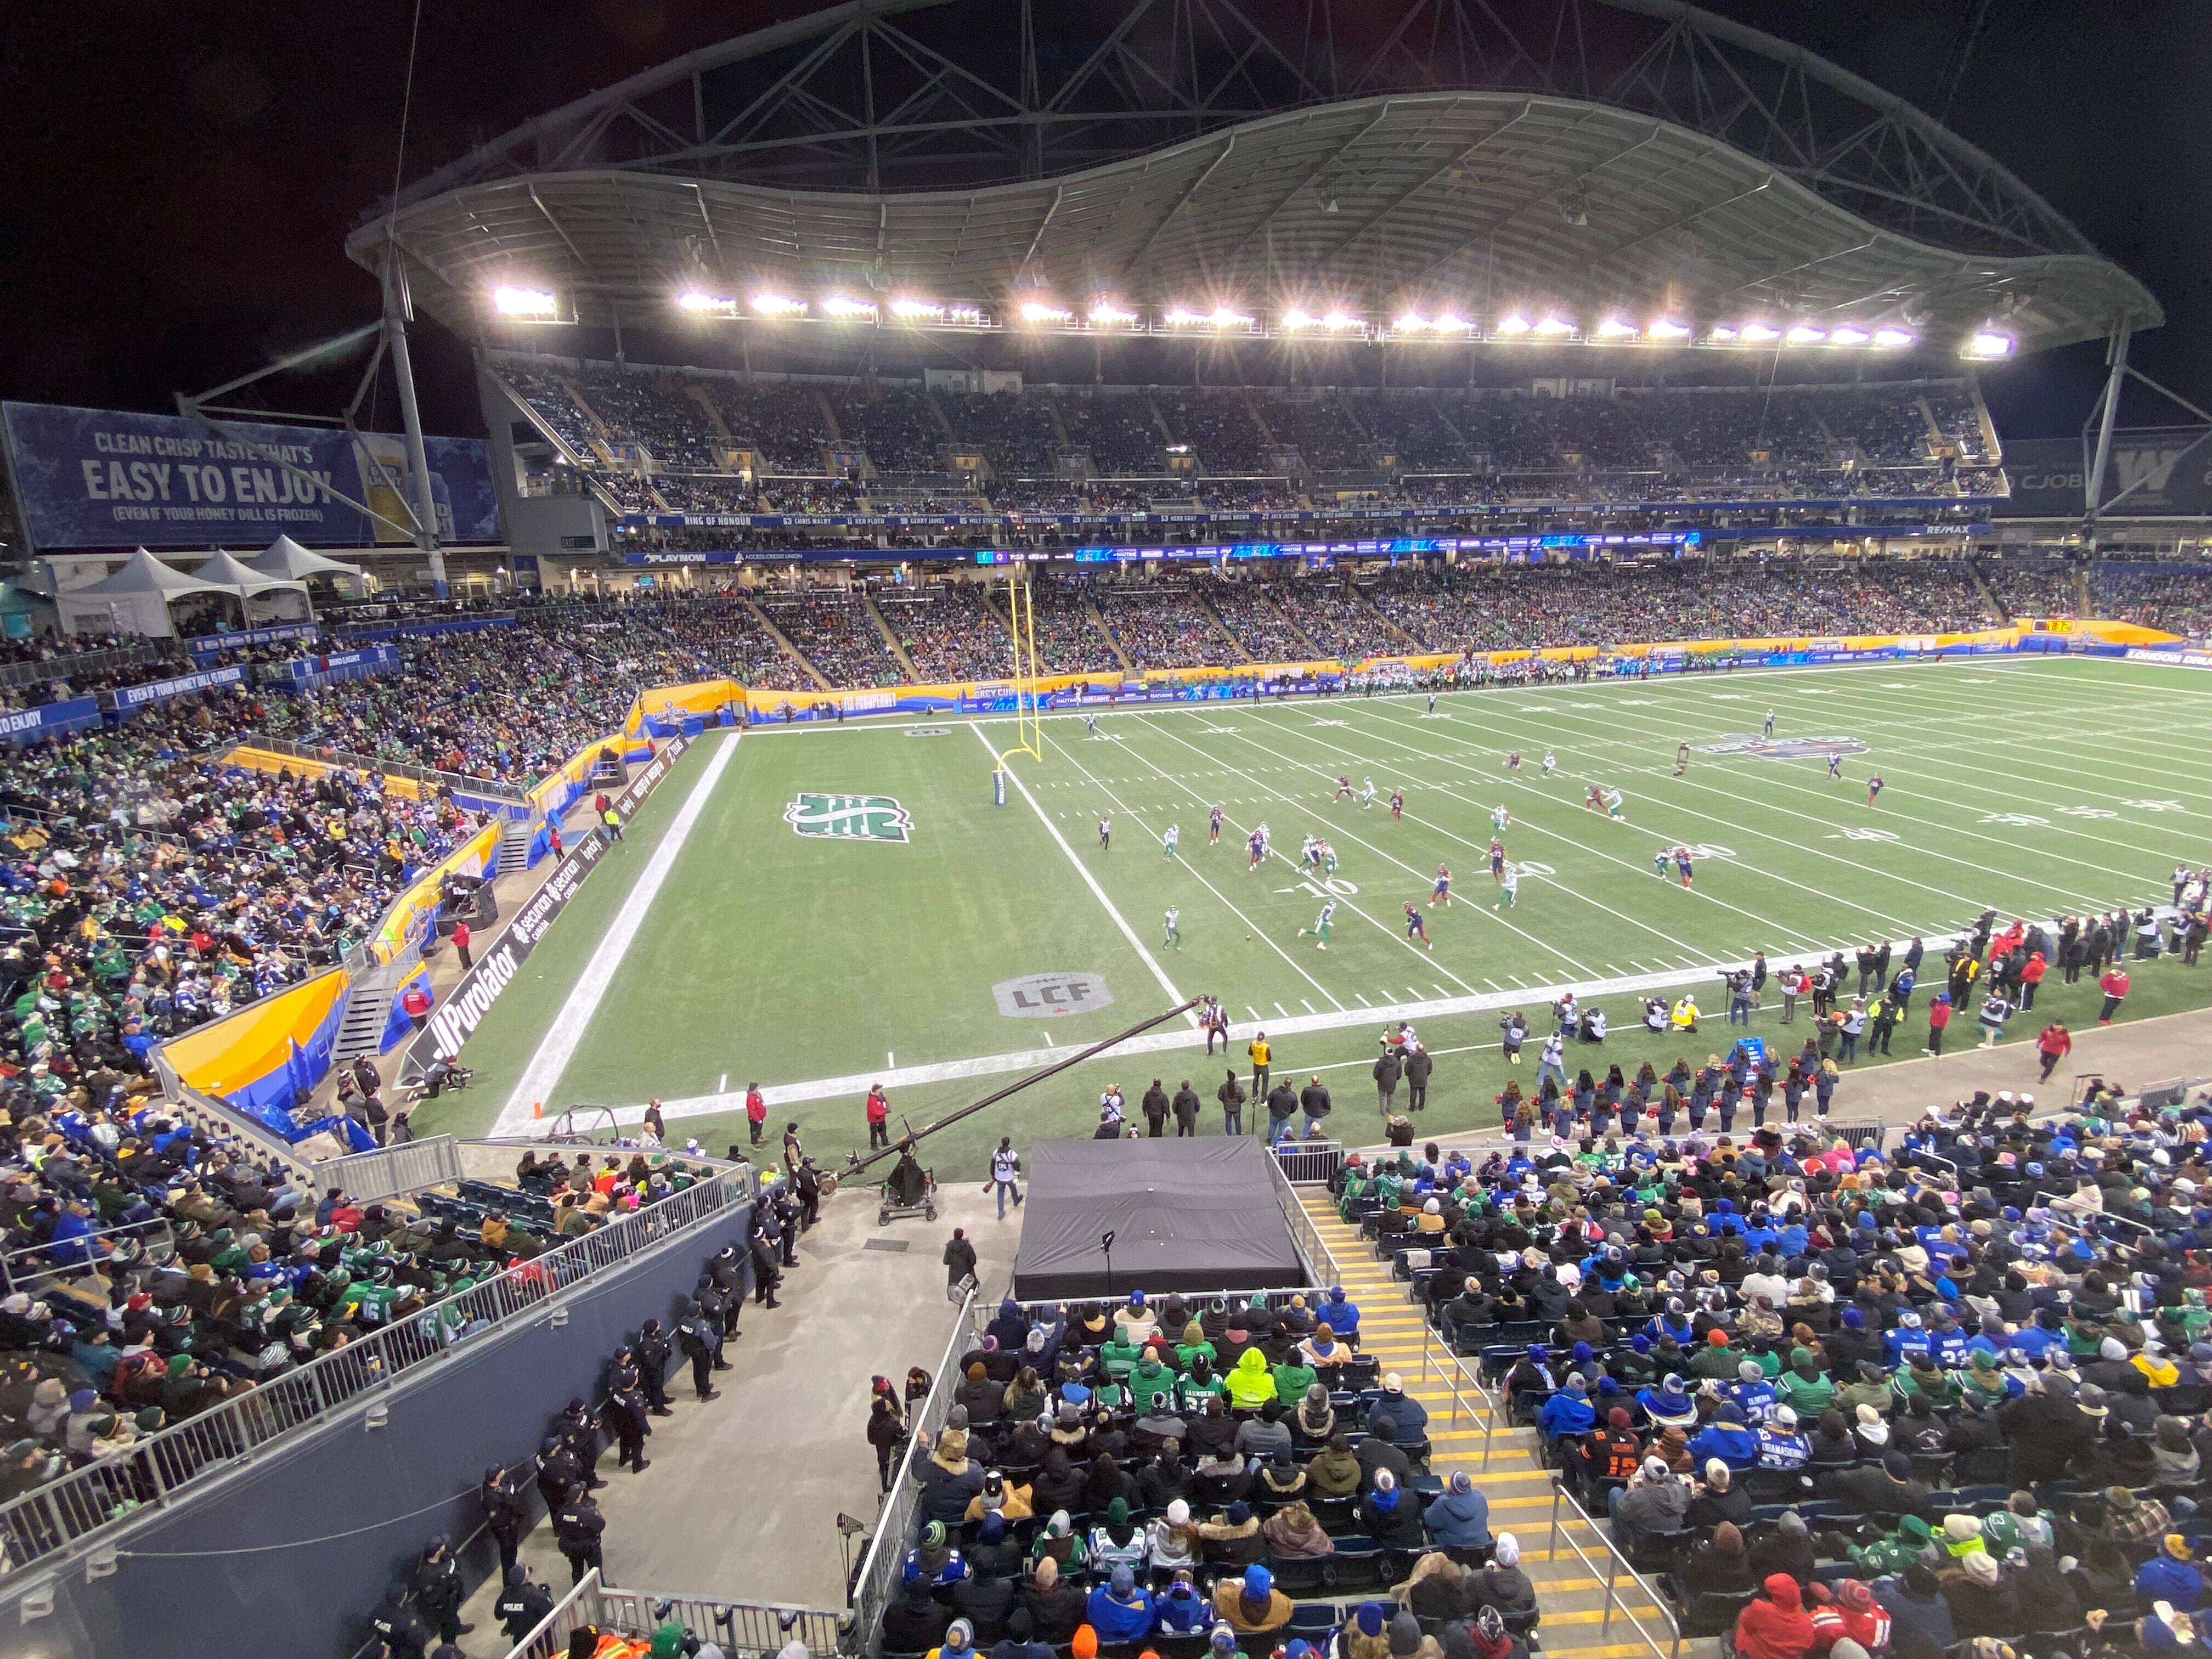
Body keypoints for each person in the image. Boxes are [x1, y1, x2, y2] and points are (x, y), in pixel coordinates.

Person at [552, 1486, 606, 1585]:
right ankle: (602, 1590)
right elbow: (600, 1525)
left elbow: (557, 1524)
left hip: (572, 1547)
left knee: (577, 1569)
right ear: (579, 1496)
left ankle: (577, 1592)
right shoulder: (585, 1513)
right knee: (596, 1569)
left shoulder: (563, 1511)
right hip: (588, 1546)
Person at [990, 1138, 1023, 1217]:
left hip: (999, 1177)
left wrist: (993, 1175)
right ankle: (1016, 1200)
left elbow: (992, 1164)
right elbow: (1017, 1165)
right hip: (1009, 1177)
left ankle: (1001, 1213)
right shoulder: (1012, 1154)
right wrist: (1017, 1173)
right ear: (1008, 1143)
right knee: (1013, 1189)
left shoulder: (996, 1152)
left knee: (1000, 1194)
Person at [944, 1227, 978, 1292]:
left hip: (954, 1276)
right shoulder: (967, 1246)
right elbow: (973, 1260)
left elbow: (946, 1261)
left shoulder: (950, 1247)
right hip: (966, 1275)